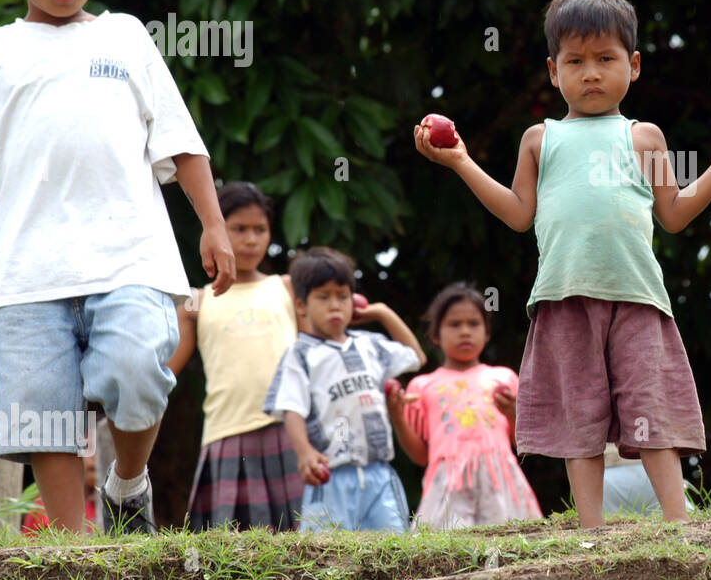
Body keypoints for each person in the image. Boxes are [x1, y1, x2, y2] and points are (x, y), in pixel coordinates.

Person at [414, 0, 711, 527]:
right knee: (578, 418)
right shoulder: (541, 139)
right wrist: (461, 161)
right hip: (563, 297)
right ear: (554, 72)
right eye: (575, 61)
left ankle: (681, 525)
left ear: (633, 65)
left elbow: (673, 214)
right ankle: (592, 532)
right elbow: (516, 213)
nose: (591, 73)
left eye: (605, 59)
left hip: (637, 297)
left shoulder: (644, 137)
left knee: (650, 408)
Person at [0, 0, 235, 535]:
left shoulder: (127, 37)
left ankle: (128, 482)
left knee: (135, 371)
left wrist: (213, 224)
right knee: (43, 415)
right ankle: (77, 552)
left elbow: (181, 141)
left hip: (130, 257)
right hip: (24, 272)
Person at [169, 182, 304, 530]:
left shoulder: (287, 288)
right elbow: (166, 372)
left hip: (290, 430)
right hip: (226, 431)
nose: (251, 239)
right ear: (216, 231)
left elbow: (316, 355)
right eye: (239, 229)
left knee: (302, 540)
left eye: (260, 229)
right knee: (232, 549)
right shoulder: (196, 301)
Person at [263, 247, 425, 532]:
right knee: (326, 557)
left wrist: (383, 313)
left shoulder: (370, 345)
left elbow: (416, 357)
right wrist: (304, 453)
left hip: (379, 474)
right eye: (323, 297)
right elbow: (291, 408)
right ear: (301, 306)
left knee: (394, 551)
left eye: (342, 296)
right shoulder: (300, 355)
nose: (335, 305)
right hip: (331, 475)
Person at [386, 283, 541, 530]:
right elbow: (420, 455)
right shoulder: (422, 386)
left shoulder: (504, 378)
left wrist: (512, 413)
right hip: (446, 488)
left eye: (474, 323)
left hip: (500, 483)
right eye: (454, 324)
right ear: (435, 335)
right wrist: (397, 417)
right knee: (446, 556)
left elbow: (522, 445)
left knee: (512, 545)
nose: (465, 331)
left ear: (487, 332)